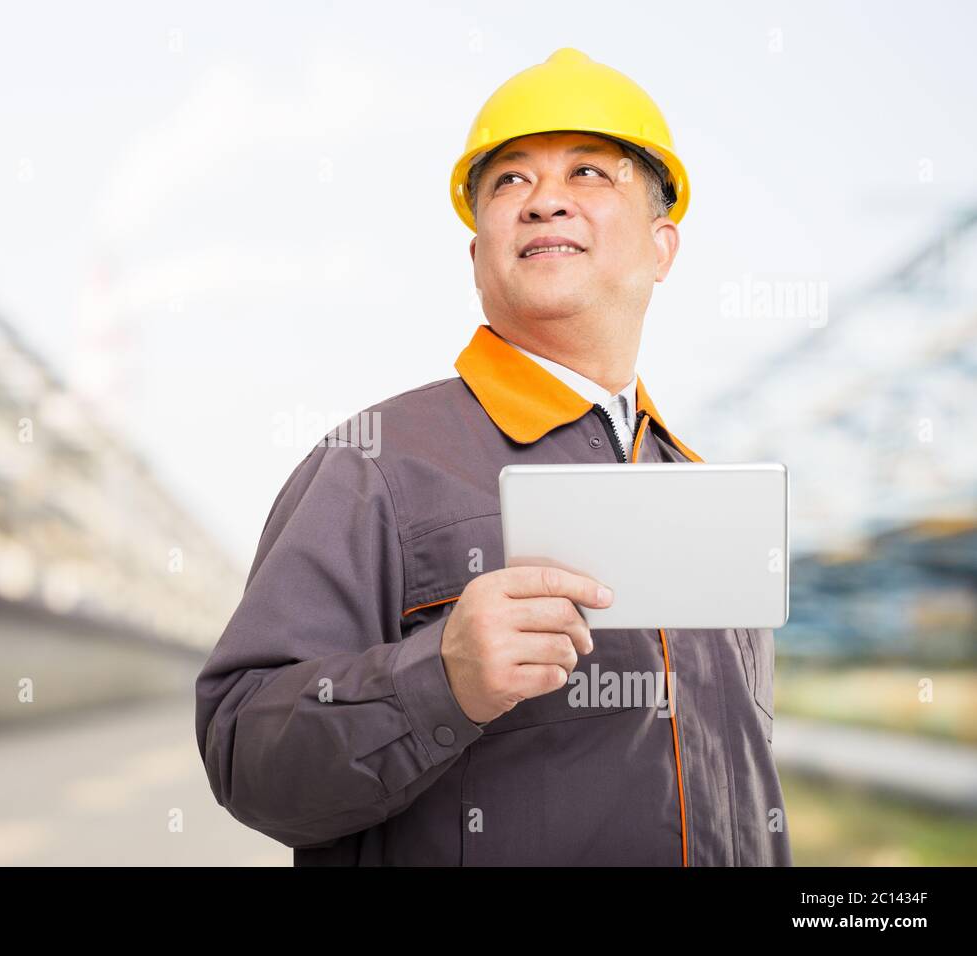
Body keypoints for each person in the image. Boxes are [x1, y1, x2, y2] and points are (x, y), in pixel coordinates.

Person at [194, 48, 791, 866]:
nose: (545, 200)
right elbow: (243, 751)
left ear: (662, 248)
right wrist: (438, 680)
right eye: (509, 182)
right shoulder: (375, 466)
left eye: (590, 173)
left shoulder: (706, 497)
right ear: (478, 259)